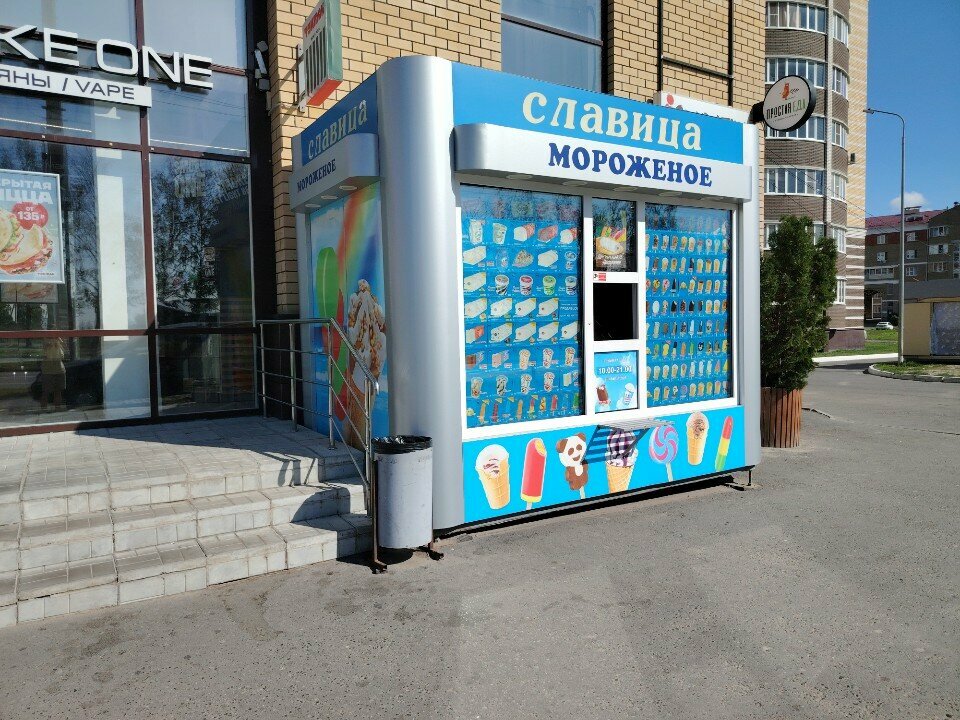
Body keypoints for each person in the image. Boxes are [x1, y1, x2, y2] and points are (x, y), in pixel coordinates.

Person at [40, 337, 66, 411]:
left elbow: (62, 354)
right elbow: (45, 353)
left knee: (58, 391)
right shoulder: (46, 341)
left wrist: (59, 342)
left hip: (59, 369)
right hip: (48, 370)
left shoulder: (58, 341)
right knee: (46, 391)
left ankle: (57, 408)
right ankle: (44, 409)